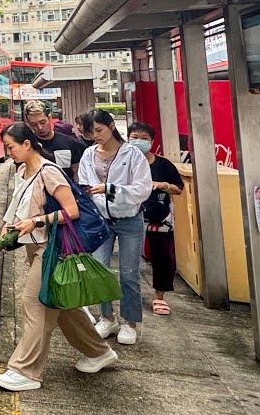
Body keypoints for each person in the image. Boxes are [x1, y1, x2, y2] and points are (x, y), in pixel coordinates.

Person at [0, 122, 118, 392]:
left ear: (26, 144)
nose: (8, 152)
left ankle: (25, 371)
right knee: (62, 307)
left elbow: (71, 212)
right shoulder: (23, 171)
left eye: (11, 147)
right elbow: (20, 206)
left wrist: (37, 221)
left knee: (35, 304)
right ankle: (98, 352)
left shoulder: (49, 172)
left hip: (54, 250)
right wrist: (10, 229)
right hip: (37, 248)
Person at [79, 109, 152, 345]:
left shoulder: (132, 155)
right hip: (101, 221)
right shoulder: (89, 154)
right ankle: (107, 317)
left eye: (99, 130)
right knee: (99, 270)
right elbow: (84, 184)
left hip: (130, 219)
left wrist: (110, 189)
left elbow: (143, 188)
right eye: (91, 133)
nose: (96, 136)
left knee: (129, 273)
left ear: (111, 125)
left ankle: (130, 322)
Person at [126, 121, 184, 316]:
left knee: (163, 257)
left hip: (159, 219)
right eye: (135, 138)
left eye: (144, 139)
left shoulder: (163, 164)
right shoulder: (123, 162)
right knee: (130, 260)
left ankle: (159, 297)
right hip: (130, 216)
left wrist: (163, 185)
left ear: (152, 141)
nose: (139, 142)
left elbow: (178, 189)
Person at [23, 101, 86, 179]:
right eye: (34, 125)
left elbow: (77, 172)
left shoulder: (69, 143)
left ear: (49, 118)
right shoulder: (27, 146)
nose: (40, 127)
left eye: (42, 122)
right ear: (28, 124)